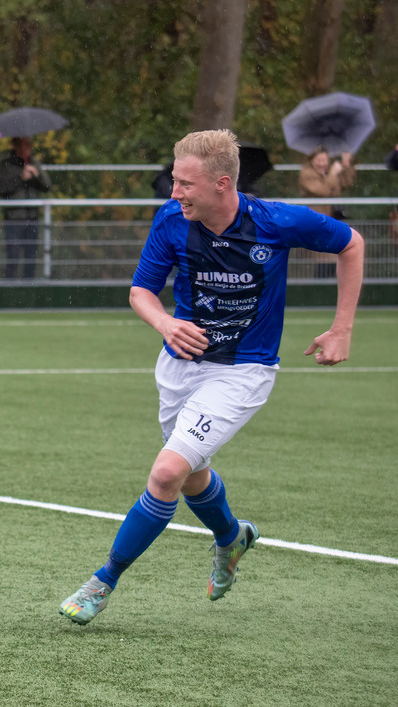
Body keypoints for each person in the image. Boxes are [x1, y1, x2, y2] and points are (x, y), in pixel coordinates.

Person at [59, 129, 364, 626]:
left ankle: (102, 581)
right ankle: (231, 537)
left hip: (243, 371)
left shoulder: (276, 220)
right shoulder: (171, 220)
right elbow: (141, 292)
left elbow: (351, 244)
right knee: (191, 473)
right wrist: (165, 323)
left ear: (223, 184)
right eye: (175, 181)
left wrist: (341, 329)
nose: (175, 192)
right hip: (178, 368)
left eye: (185, 184)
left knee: (166, 473)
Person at [0, 136, 52, 279]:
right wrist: (21, 178)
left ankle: (28, 290)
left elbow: (46, 186)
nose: (27, 148)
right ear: (15, 145)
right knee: (13, 258)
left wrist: (36, 175)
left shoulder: (34, 163)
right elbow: (1, 188)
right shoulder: (6, 165)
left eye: (29, 144)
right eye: (24, 144)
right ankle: (10, 292)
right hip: (14, 219)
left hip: (32, 218)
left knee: (30, 258)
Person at [297, 148, 356, 278]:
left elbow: (346, 183)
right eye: (318, 160)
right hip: (315, 220)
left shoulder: (327, 173)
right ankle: (319, 286)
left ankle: (328, 283)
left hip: (329, 219)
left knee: (331, 258)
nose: (322, 163)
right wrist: (333, 174)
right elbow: (323, 190)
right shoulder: (306, 174)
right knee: (323, 258)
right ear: (311, 161)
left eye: (324, 160)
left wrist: (346, 165)